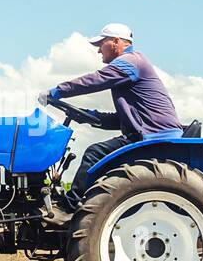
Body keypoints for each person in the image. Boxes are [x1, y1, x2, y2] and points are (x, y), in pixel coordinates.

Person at [38, 23, 183, 224]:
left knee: (93, 153)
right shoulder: (133, 65)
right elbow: (123, 118)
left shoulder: (130, 62)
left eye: (101, 43)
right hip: (149, 131)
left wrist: (57, 91)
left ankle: (68, 208)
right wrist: (88, 116)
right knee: (97, 153)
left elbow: (95, 80)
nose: (98, 49)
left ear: (116, 42)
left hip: (153, 135)